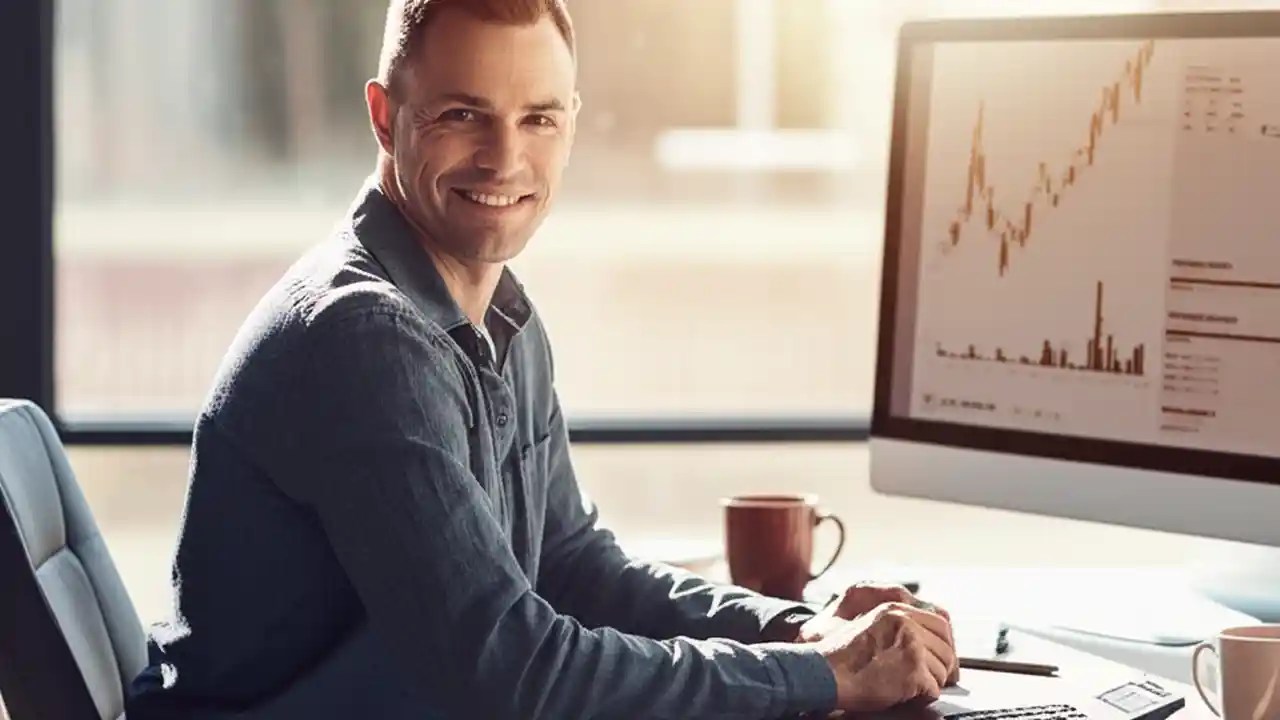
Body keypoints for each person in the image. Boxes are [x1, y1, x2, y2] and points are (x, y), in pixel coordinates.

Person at [125, 1, 959, 717]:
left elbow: (570, 565)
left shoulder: (500, 315)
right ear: (384, 117)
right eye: (462, 115)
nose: (504, 158)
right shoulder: (364, 340)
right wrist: (822, 676)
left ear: (571, 126)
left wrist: (802, 630)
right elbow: (512, 672)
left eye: (538, 119)